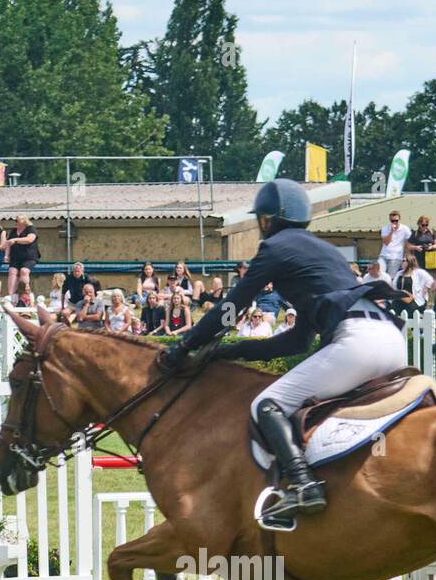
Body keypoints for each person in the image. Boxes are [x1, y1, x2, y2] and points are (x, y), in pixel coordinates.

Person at [160, 177, 405, 529]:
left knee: (266, 405)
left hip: (358, 342)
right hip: (389, 338)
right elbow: (297, 342)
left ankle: (304, 485)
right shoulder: (322, 252)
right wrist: (231, 351)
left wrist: (185, 345)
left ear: (266, 220)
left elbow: (230, 309)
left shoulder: (275, 249)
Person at [5, 216, 39, 297]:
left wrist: (16, 240)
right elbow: (8, 243)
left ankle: (24, 294)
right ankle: (11, 295)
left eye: (18, 220)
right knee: (12, 271)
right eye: (16, 221)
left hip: (29, 257)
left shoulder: (30, 229)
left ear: (24, 221)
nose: (16, 222)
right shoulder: (13, 231)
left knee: (24, 271)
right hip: (15, 257)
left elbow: (29, 239)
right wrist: (6, 255)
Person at [379, 210, 412, 278]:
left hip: (396, 257)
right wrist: (391, 232)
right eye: (392, 221)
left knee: (390, 277)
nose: (394, 222)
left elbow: (408, 243)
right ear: (389, 220)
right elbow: (386, 242)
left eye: (396, 220)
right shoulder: (385, 228)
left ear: (399, 219)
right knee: (380, 275)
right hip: (383, 256)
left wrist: (409, 255)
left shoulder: (405, 229)